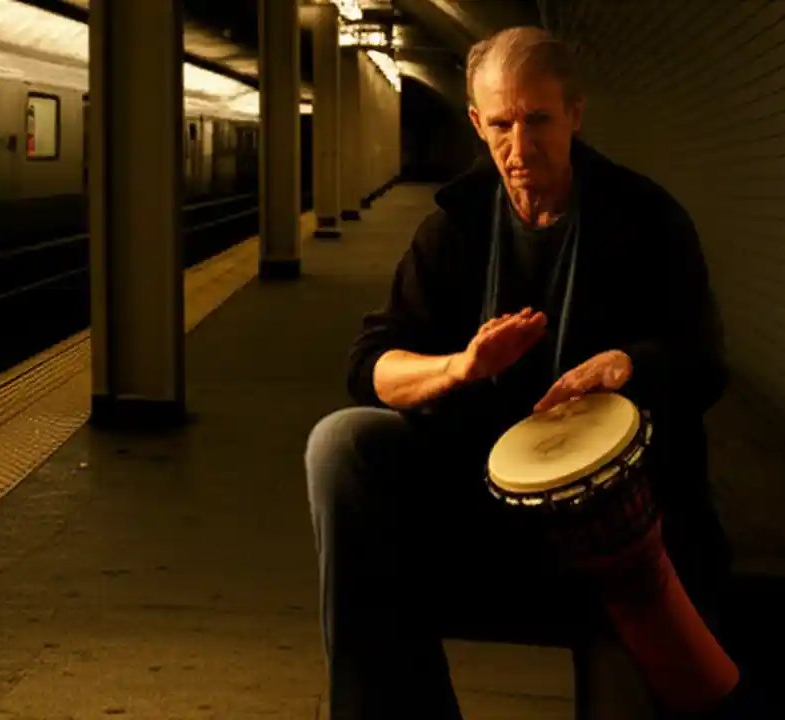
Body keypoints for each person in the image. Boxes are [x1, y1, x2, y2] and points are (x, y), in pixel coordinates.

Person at [305, 25, 738, 719]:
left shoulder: (646, 217)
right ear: (476, 122)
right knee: (341, 444)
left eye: (538, 119)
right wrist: (460, 368)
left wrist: (632, 365)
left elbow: (705, 360)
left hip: (614, 519)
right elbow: (371, 365)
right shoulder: (454, 227)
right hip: (477, 504)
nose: (519, 145)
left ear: (575, 113)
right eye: (500, 124)